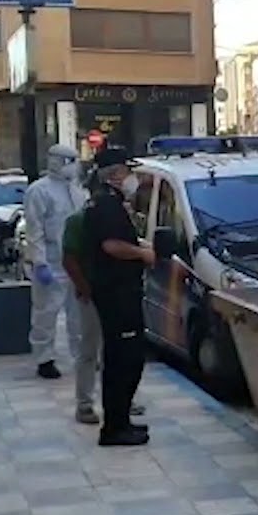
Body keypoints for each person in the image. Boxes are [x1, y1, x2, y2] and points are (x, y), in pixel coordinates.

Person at [84, 146, 153, 446]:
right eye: (127, 171)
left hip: (120, 290)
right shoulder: (106, 206)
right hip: (116, 293)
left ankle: (121, 420)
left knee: (128, 359)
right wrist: (143, 253)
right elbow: (111, 246)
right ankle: (114, 427)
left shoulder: (111, 203)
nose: (131, 177)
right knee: (123, 359)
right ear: (114, 175)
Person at [24, 144, 88, 379]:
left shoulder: (77, 190)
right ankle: (44, 358)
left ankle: (82, 355)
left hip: (76, 261)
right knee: (46, 312)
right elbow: (35, 230)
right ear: (58, 162)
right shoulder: (39, 191)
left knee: (79, 313)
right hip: (51, 260)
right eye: (71, 161)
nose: (75, 166)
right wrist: (39, 263)